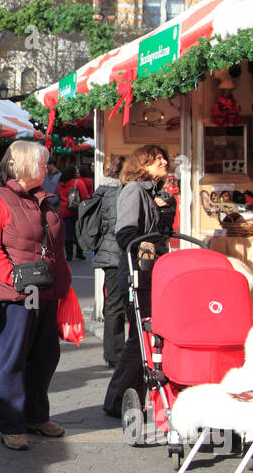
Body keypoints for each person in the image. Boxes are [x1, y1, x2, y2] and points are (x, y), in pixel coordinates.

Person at [0, 141, 71, 450]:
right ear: (25, 166)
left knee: (45, 357)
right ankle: (11, 425)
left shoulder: (42, 199)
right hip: (17, 295)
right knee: (14, 360)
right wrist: (13, 279)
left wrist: (63, 285)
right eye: (42, 164)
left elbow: (56, 246)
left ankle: (35, 416)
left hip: (46, 292)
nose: (47, 168)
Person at [101, 145, 177, 419]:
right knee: (140, 338)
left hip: (153, 273)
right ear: (142, 163)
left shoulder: (155, 193)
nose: (164, 162)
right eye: (157, 158)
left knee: (145, 337)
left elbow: (162, 231)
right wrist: (147, 246)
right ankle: (117, 399)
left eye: (164, 158)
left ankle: (129, 398)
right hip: (137, 274)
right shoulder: (134, 190)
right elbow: (126, 233)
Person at [91, 153, 127, 368]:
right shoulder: (117, 193)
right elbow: (119, 226)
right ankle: (115, 352)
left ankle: (114, 351)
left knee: (112, 301)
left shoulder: (104, 191)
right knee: (116, 303)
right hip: (117, 253)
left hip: (108, 251)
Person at [56, 163, 93, 260]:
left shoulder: (61, 184)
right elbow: (84, 196)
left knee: (67, 233)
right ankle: (79, 253)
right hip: (77, 209)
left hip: (64, 209)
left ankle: (69, 255)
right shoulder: (78, 182)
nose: (78, 174)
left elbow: (59, 195)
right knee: (78, 231)